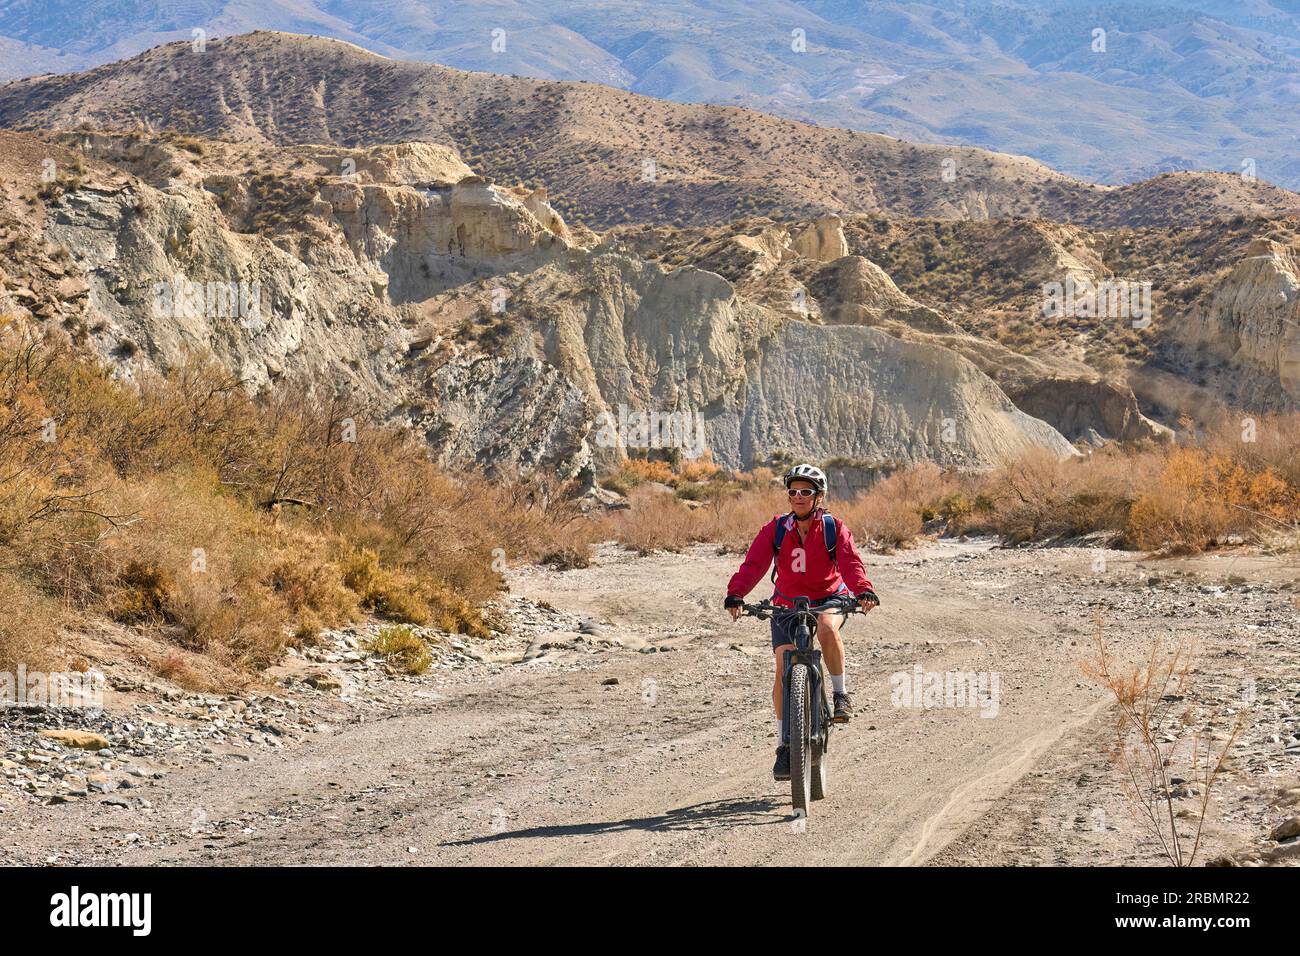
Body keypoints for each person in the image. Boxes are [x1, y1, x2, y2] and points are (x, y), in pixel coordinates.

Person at [724, 464, 879, 781]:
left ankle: (840, 694)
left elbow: (850, 562)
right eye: (792, 491)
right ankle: (784, 745)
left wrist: (863, 590)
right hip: (786, 603)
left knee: (826, 626)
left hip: (829, 597)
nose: (797, 496)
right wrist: (736, 594)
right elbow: (754, 564)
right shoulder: (777, 529)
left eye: (805, 491)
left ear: (819, 496)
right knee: (783, 666)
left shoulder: (834, 528)